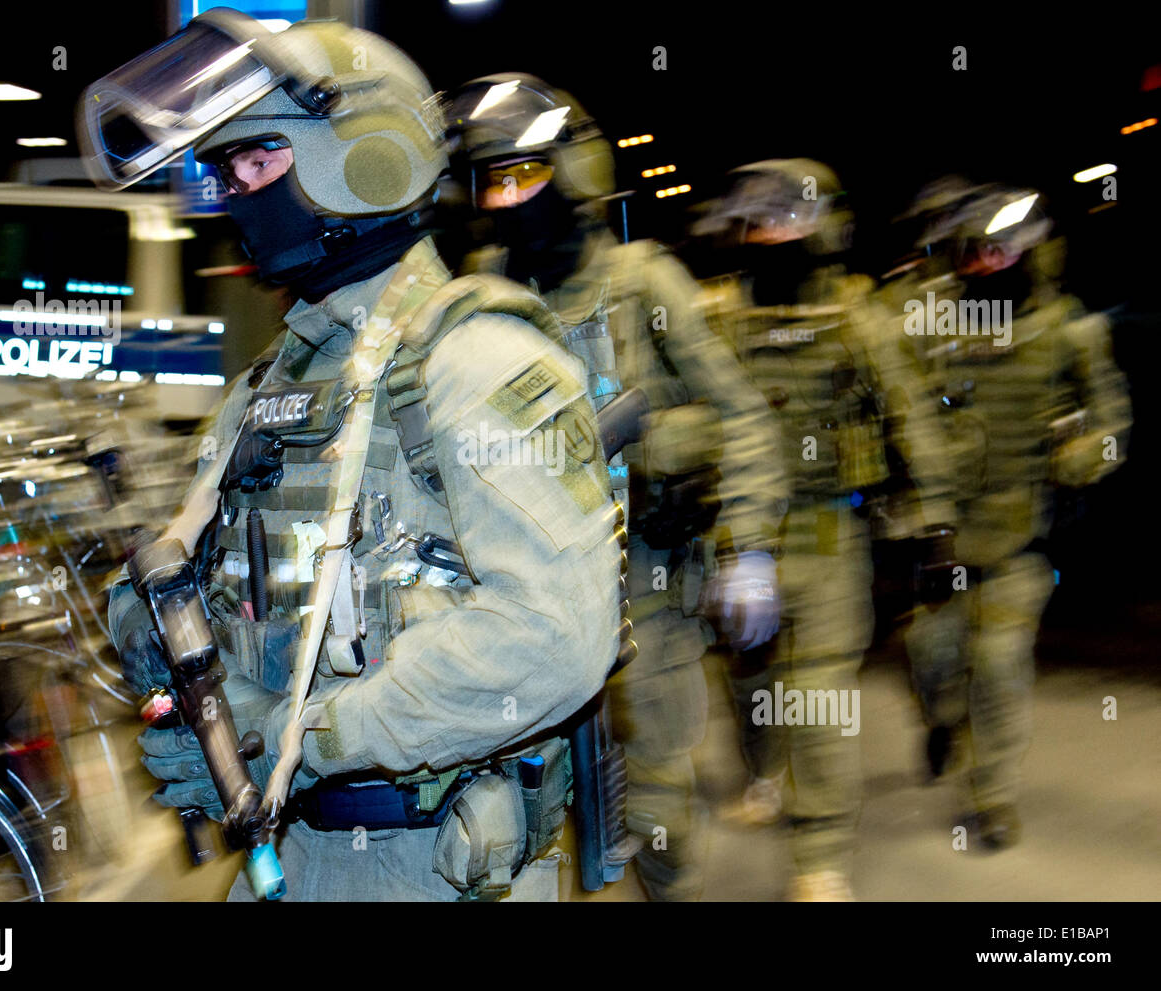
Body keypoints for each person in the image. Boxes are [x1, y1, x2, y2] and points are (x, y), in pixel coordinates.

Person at [83, 10, 622, 901]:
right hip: (293, 856)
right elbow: (186, 568)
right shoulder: (278, 377)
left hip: (431, 867)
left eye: (258, 161)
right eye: (226, 171)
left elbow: (554, 638)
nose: (236, 194)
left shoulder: (477, 359)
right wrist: (162, 646)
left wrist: (302, 737)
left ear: (361, 156)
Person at [445, 74, 789, 900]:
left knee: (654, 797)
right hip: (516, 587)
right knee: (512, 801)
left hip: (646, 588)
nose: (507, 197)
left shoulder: (641, 283)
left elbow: (742, 414)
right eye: (492, 181)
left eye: (525, 175)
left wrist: (748, 548)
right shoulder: (481, 290)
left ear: (573, 177)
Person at [696, 159, 957, 899]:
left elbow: (910, 414)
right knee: (748, 682)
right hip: (740, 538)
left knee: (817, 697)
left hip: (826, 536)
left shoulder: (857, 317)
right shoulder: (715, 316)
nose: (775, 233)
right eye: (761, 220)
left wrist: (934, 519)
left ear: (824, 228)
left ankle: (820, 855)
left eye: (792, 219)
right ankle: (760, 769)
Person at [897, 184, 1132, 847]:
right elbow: (899, 405)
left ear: (1028, 252)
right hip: (943, 541)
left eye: (996, 252)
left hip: (1019, 540)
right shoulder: (932, 329)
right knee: (929, 653)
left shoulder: (1069, 331)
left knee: (999, 663)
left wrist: (1085, 453)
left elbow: (1114, 421)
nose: (980, 265)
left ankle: (992, 793)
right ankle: (944, 718)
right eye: (970, 253)